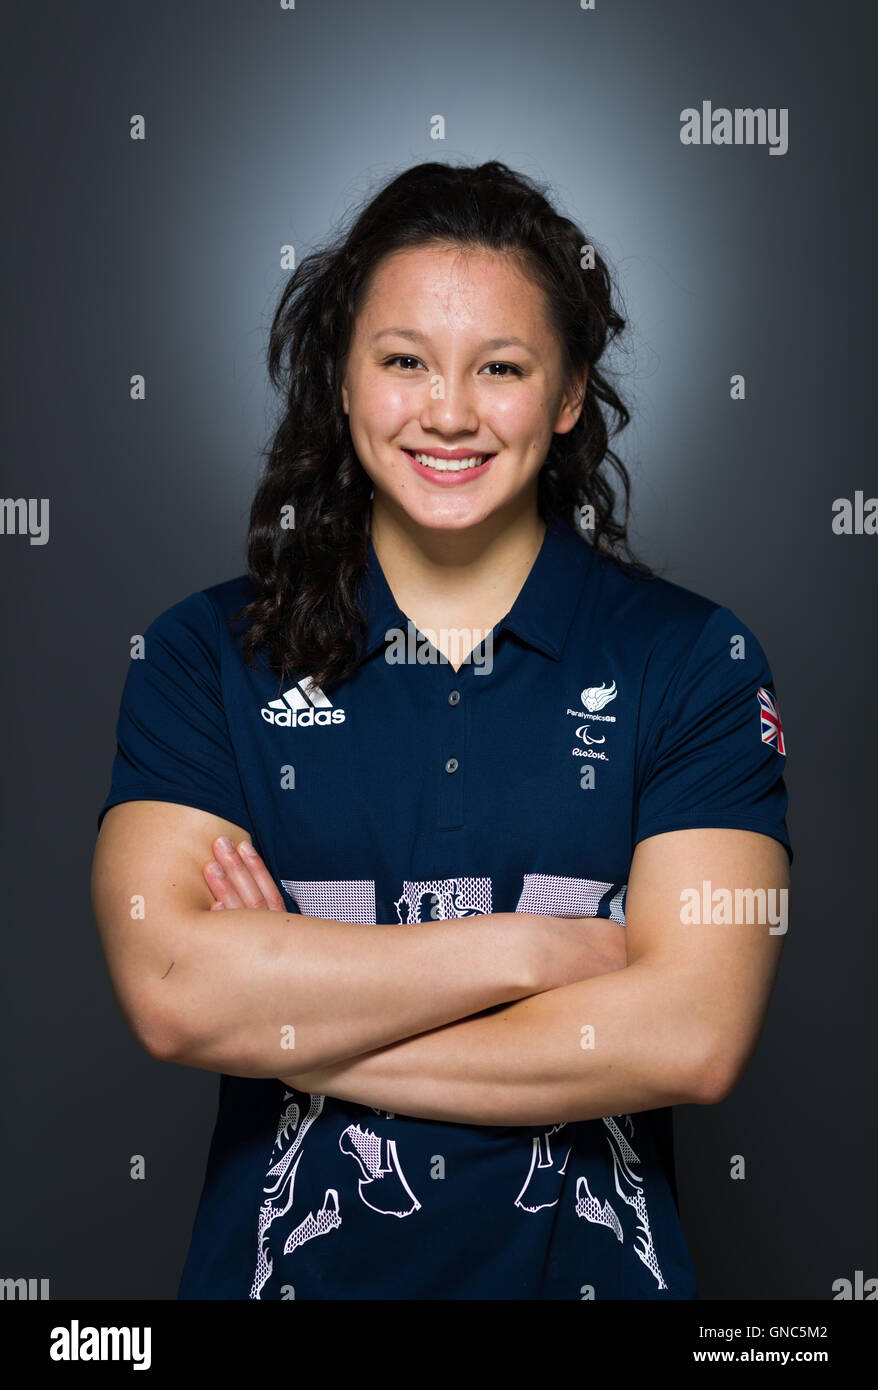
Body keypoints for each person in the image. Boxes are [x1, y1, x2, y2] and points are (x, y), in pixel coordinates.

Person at [91, 159, 792, 1301]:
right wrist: (530, 952)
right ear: (343, 378)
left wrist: (292, 1015)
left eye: (500, 367)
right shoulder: (204, 652)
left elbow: (690, 1033)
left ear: (567, 395)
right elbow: (174, 988)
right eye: (404, 360)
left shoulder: (688, 658)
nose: (449, 411)